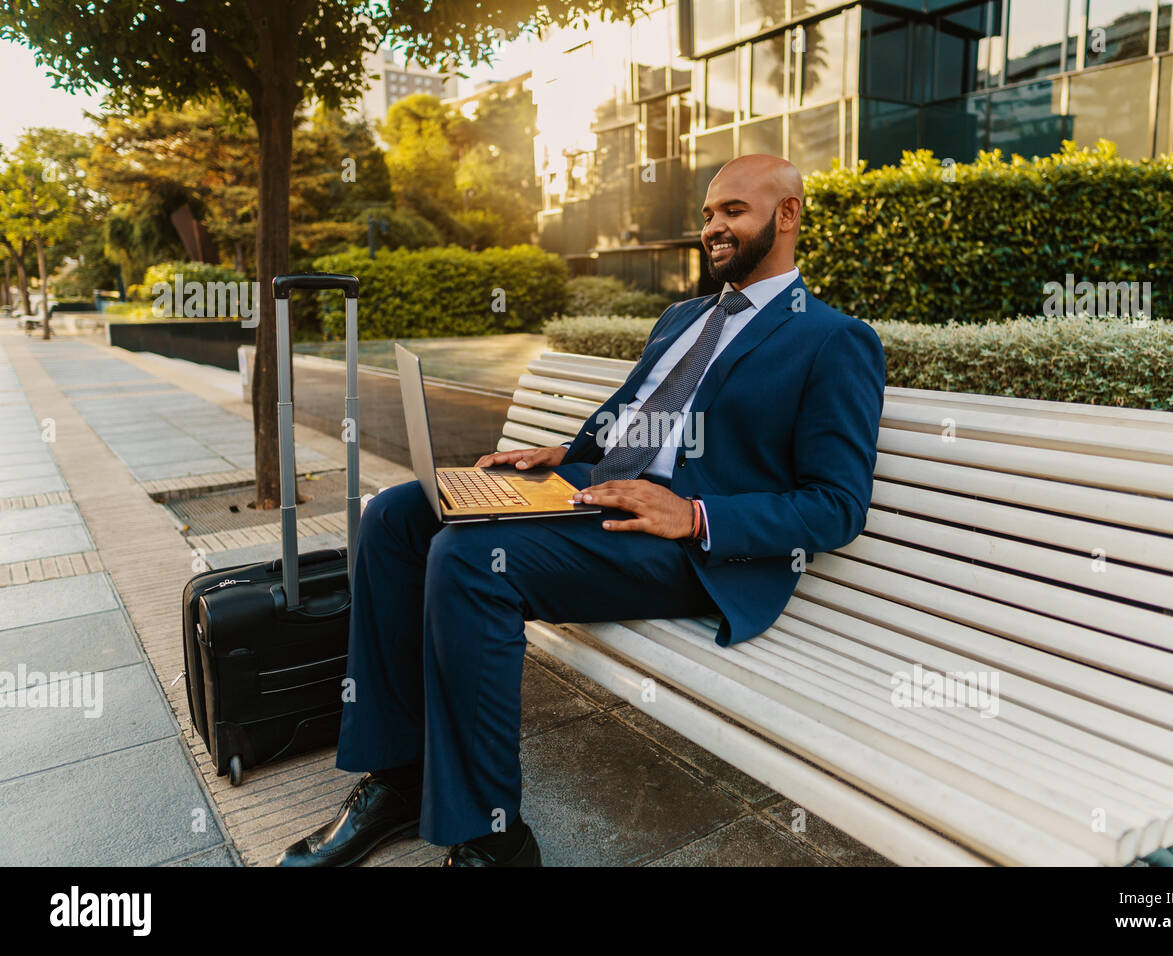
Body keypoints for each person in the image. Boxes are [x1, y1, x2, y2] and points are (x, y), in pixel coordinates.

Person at [275, 154, 887, 867]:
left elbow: (836, 506)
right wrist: (559, 454)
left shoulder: (833, 339)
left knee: (471, 562)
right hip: (593, 499)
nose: (713, 227)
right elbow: (632, 420)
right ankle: (398, 781)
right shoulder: (683, 317)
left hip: (690, 546)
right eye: (708, 213)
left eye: (734, 212)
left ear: (787, 216)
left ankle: (492, 839)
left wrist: (692, 516)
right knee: (397, 515)